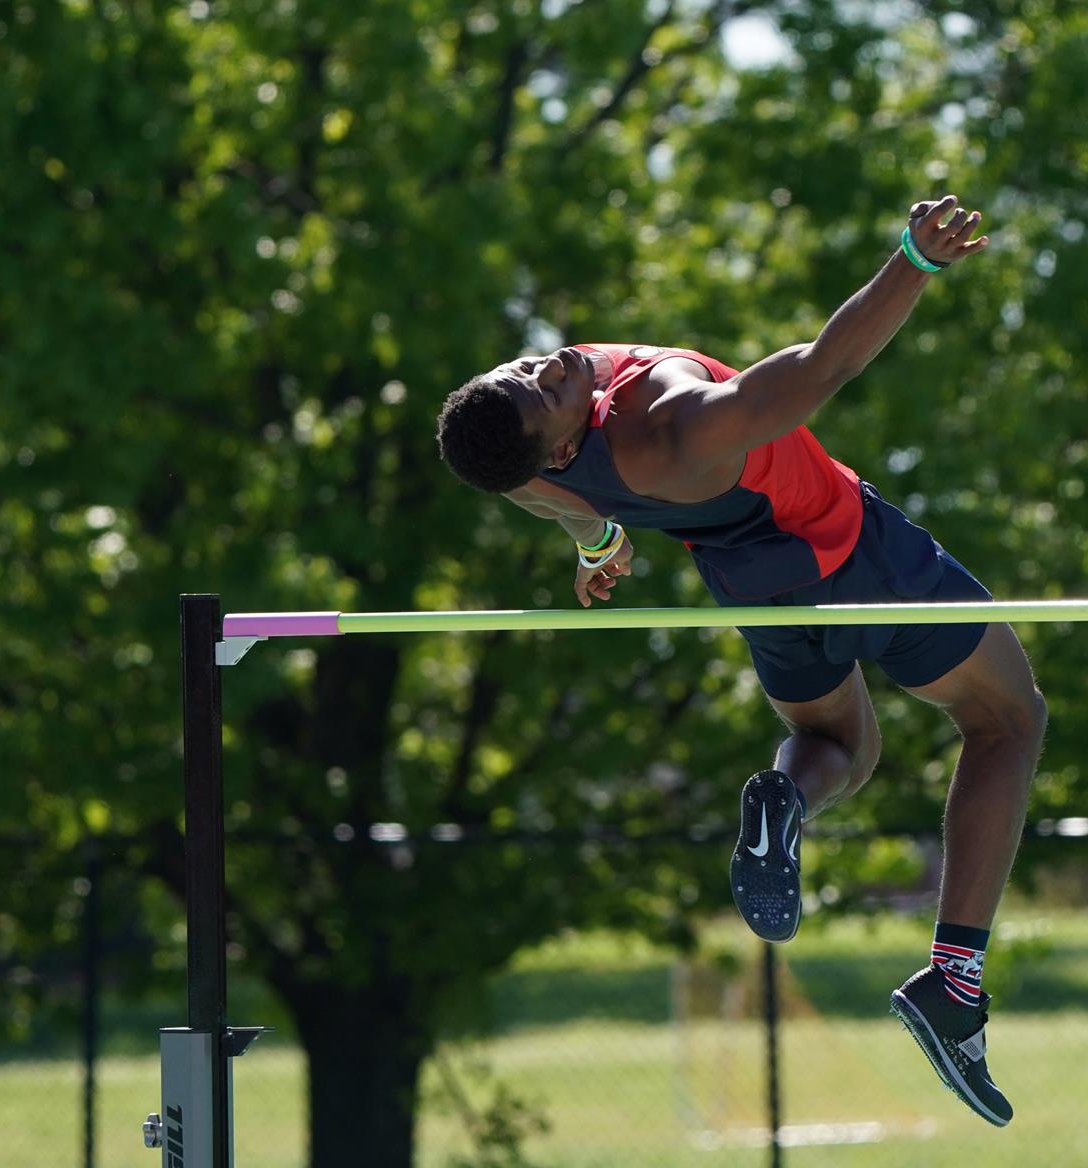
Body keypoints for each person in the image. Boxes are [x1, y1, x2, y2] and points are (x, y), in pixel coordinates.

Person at [434, 196, 1045, 1126]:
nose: (548, 366)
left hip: (753, 583)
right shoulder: (673, 419)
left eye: (521, 369)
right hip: (852, 552)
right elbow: (824, 366)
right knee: (1008, 719)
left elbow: (554, 498)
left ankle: (785, 800)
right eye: (545, 391)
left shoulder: (524, 462)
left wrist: (599, 544)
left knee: (839, 744)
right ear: (560, 442)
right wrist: (914, 262)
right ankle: (954, 978)